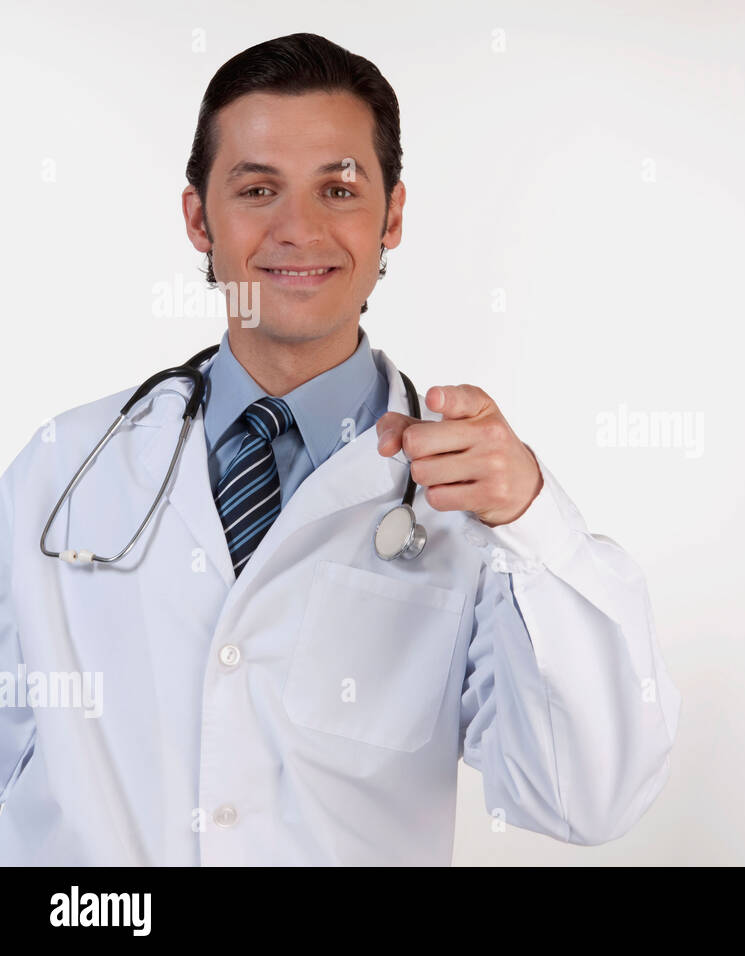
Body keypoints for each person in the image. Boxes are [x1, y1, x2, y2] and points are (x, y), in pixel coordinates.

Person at [0, 33, 680, 865]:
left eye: (338, 190)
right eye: (257, 189)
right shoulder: (65, 466)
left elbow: (587, 798)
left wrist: (538, 524)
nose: (298, 229)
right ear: (197, 218)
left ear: (392, 215)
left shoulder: (469, 507)